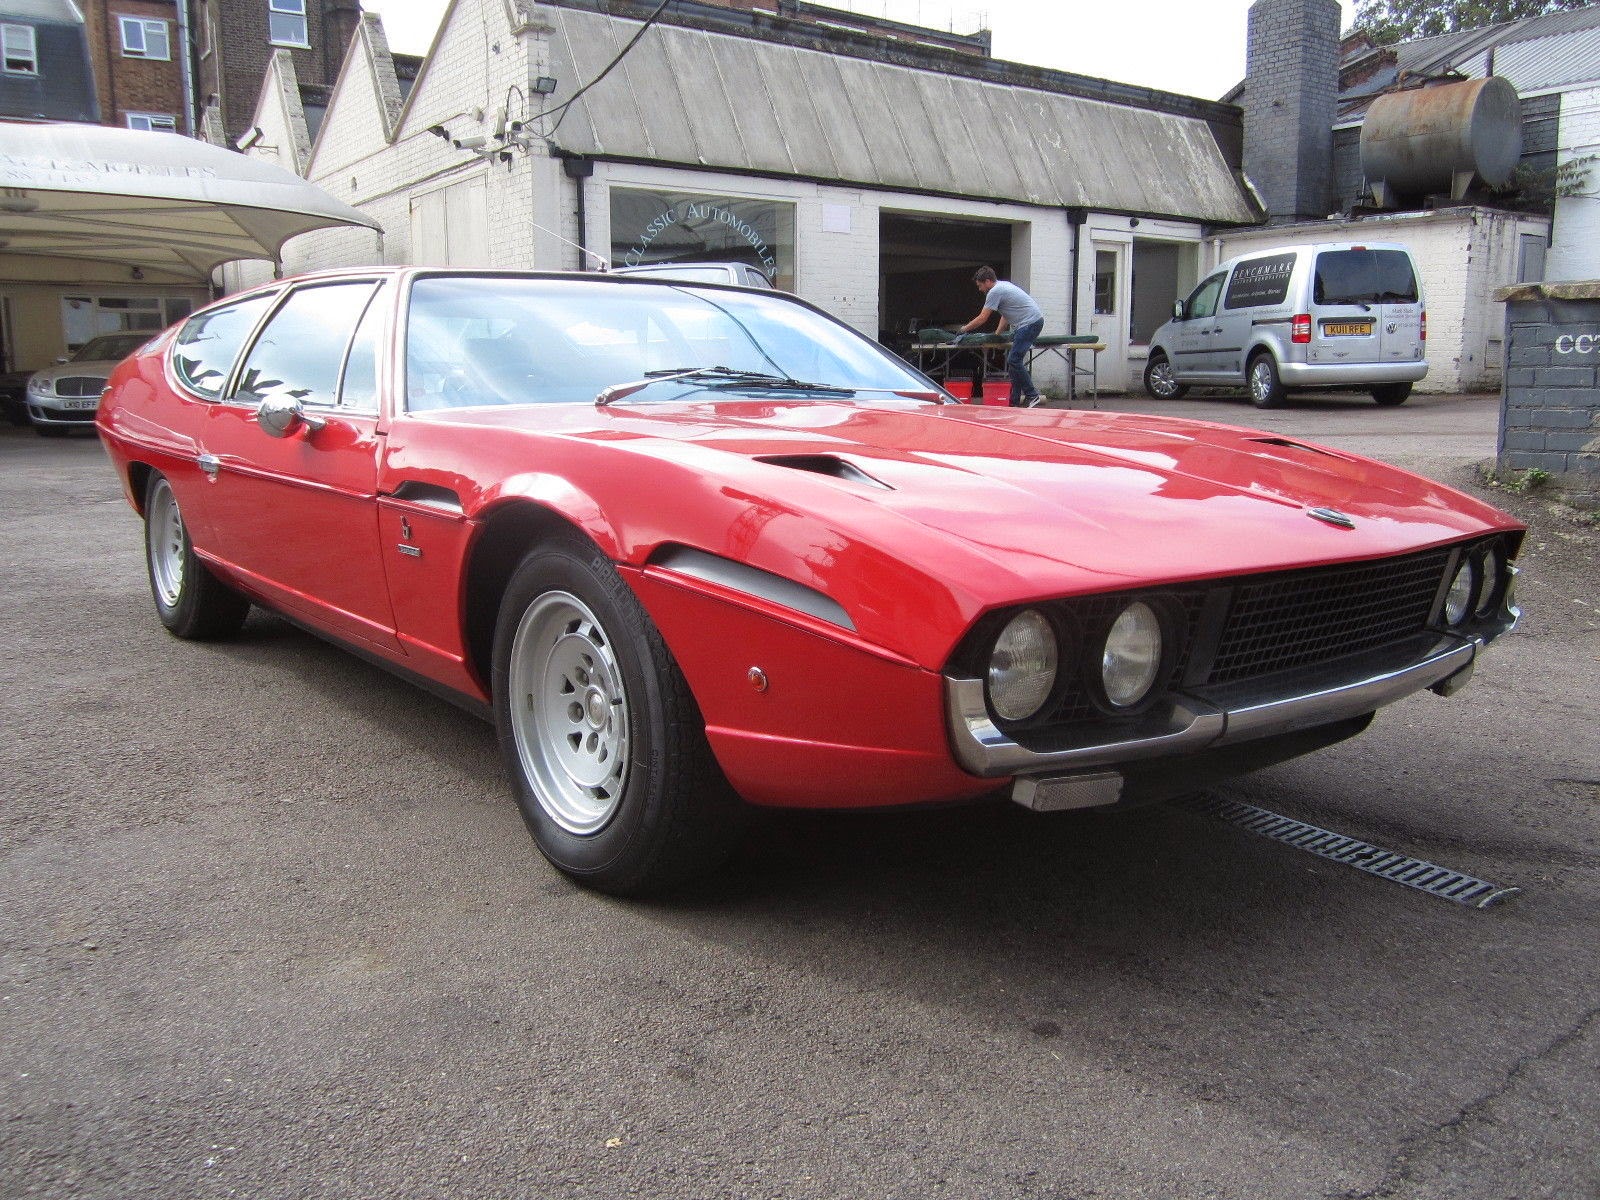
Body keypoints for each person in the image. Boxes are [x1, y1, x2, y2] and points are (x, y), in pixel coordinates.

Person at [959, 266, 1044, 407]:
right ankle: (1014, 402)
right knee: (1013, 364)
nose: (980, 289)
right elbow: (1006, 314)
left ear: (987, 281)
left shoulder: (995, 291)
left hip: (1029, 324)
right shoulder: (1003, 285)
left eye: (980, 286)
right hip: (1029, 323)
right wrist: (997, 334)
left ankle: (1032, 395)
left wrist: (964, 329)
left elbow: (982, 318)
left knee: (1014, 360)